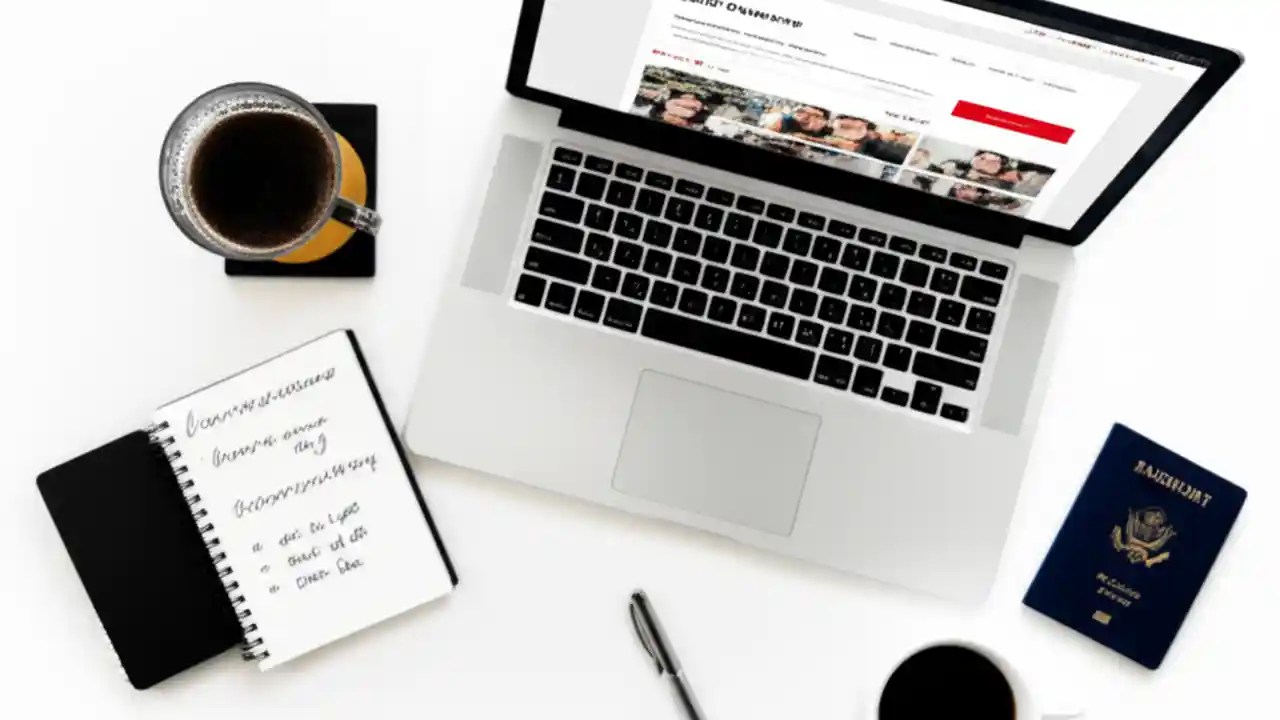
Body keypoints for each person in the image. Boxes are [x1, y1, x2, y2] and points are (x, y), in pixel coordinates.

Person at [649, 91, 717, 129]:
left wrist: (688, 123)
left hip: (693, 115)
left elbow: (681, 122)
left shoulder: (666, 115)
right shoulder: (670, 104)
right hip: (698, 108)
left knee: (711, 120)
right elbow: (686, 101)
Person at [763, 105, 831, 138]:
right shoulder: (787, 120)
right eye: (800, 111)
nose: (798, 113)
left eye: (802, 111)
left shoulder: (825, 129)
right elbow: (767, 132)